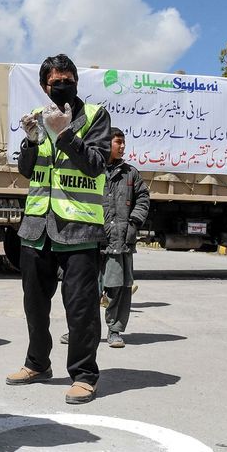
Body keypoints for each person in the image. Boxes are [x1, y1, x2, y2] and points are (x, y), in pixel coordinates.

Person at [6, 54, 111, 405]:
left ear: (77, 82)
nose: (62, 86)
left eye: (68, 80)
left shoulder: (95, 117)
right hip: (37, 227)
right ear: (44, 86)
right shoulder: (39, 117)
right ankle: (37, 363)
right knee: (34, 304)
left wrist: (64, 133)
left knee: (80, 307)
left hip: (78, 227)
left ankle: (84, 375)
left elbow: (96, 165)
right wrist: (32, 140)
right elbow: (26, 170)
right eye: (56, 82)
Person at [98, 127, 150, 347]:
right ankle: (80, 331)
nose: (122, 146)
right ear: (106, 143)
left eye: (123, 142)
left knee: (118, 287)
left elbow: (143, 198)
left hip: (120, 239)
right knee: (84, 288)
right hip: (93, 238)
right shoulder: (92, 170)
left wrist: (133, 223)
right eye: (118, 142)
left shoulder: (130, 173)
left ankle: (115, 330)